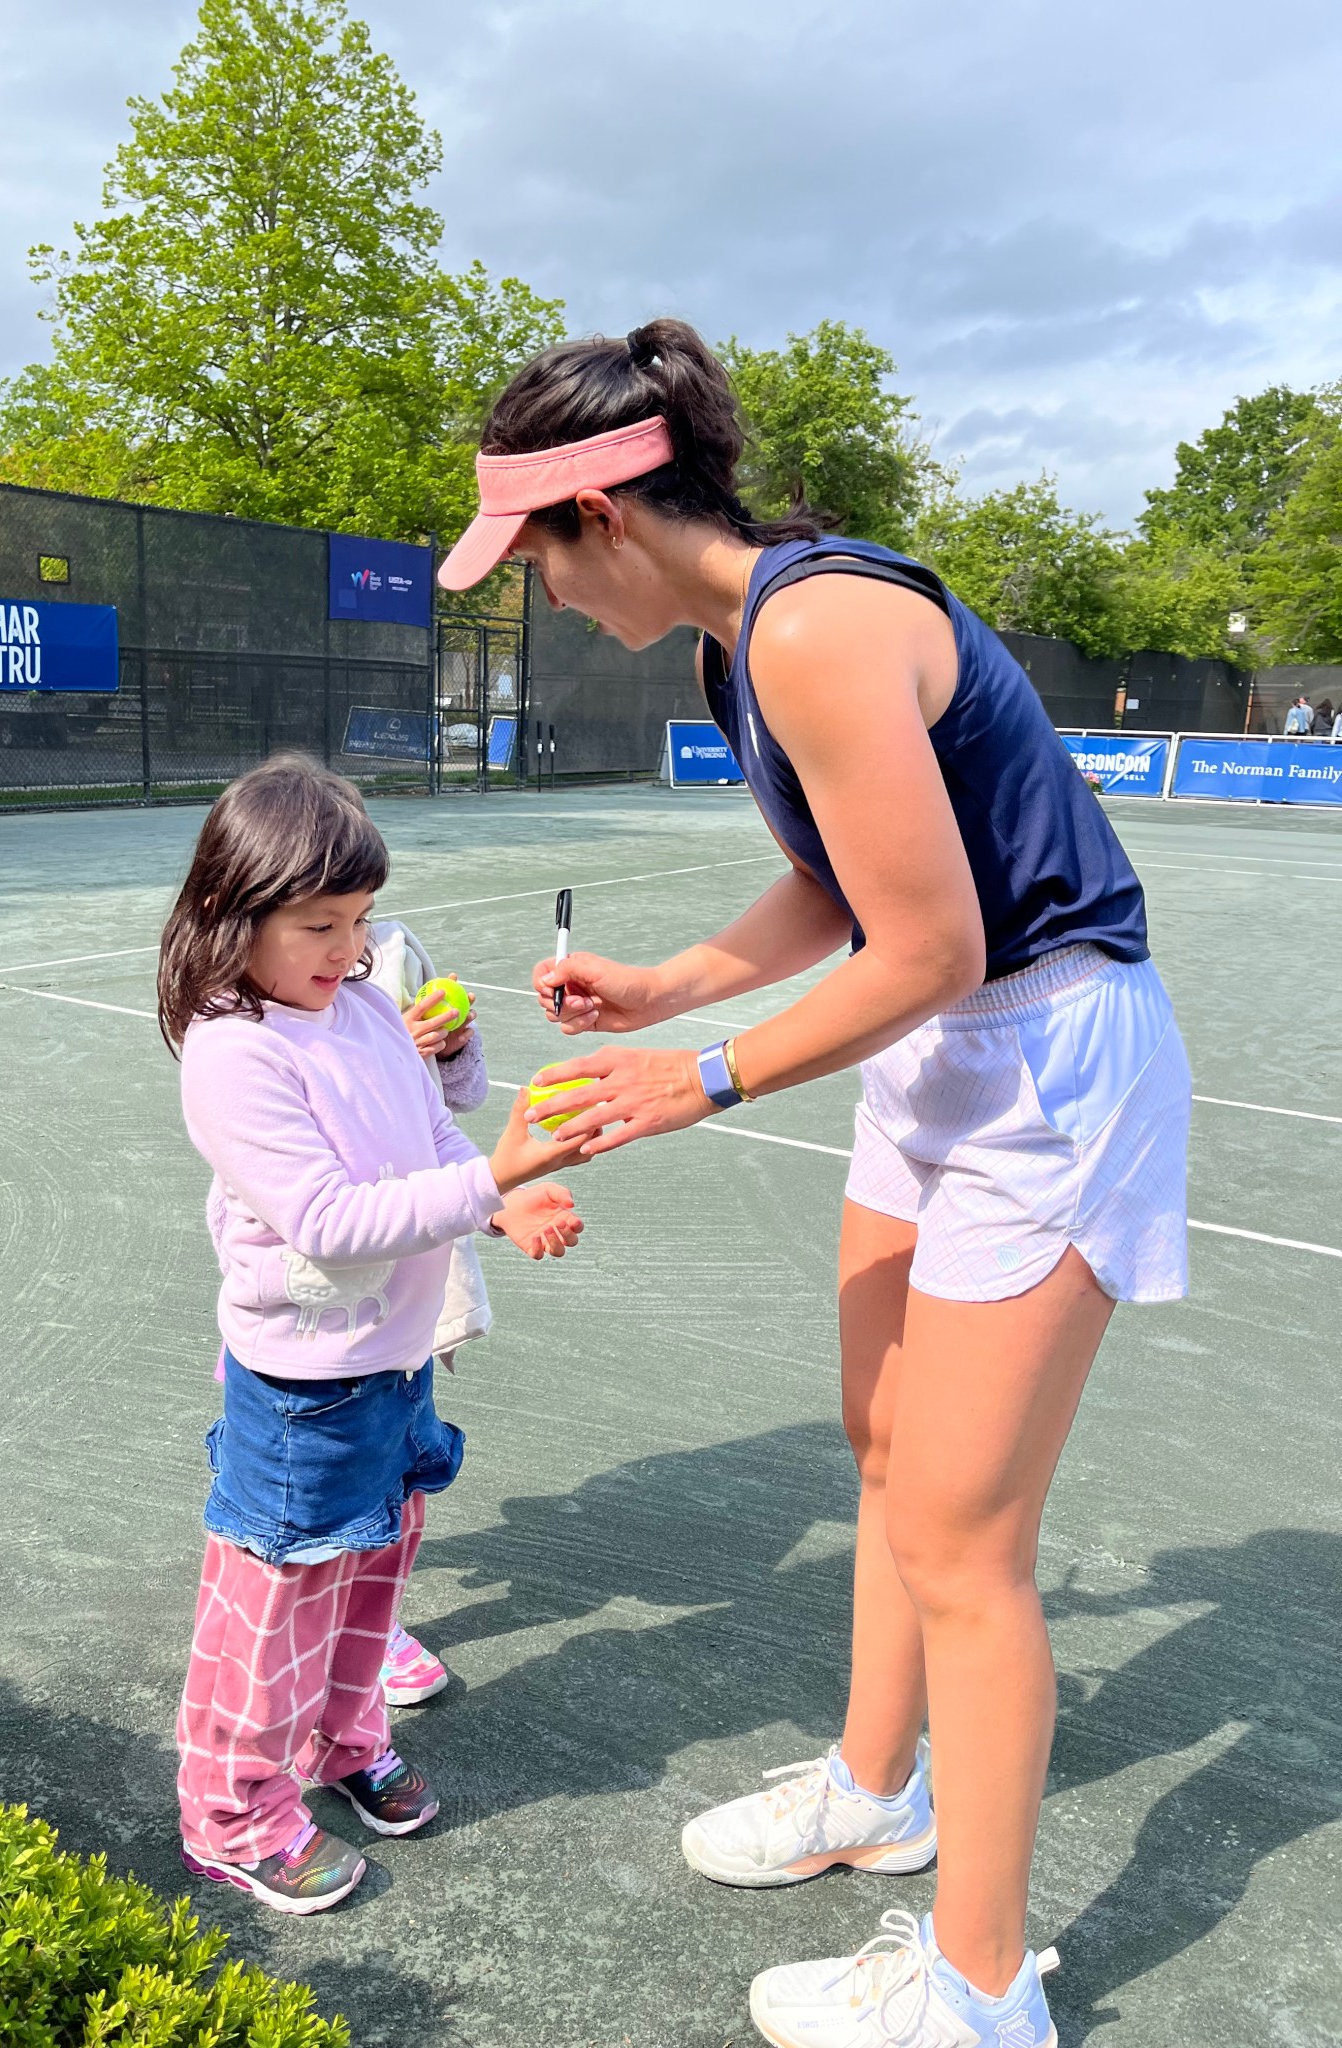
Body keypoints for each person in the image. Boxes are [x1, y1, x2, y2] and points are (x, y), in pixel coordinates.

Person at [437, 321, 1190, 2048]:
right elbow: (836, 887)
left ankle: (984, 1990)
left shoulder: (824, 623)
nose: (544, 602)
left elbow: (927, 938)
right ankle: (875, 1785)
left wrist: (686, 1078)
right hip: (937, 1050)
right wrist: (666, 983)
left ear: (606, 517)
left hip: (1051, 1051)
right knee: (880, 1449)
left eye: (536, 564)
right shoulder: (735, 652)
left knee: (962, 1541)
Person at [158, 755, 585, 1915]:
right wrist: (499, 1171)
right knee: (275, 1604)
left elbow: (428, 1137)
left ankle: (342, 1742)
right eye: (318, 924)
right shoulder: (232, 1049)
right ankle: (233, 1810)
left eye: (359, 919)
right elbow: (332, 1221)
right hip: (302, 1389)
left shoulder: (354, 1003)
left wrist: (496, 1193)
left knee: (373, 1579)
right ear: (225, 909)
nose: (348, 949)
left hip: (393, 1368)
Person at [370, 921, 493, 1707]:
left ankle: (369, 1616)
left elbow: (454, 1105)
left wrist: (444, 1049)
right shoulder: (254, 983)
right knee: (341, 1465)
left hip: (415, 1257)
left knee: (402, 1454)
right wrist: (386, 1047)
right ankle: (357, 1628)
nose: (350, 933)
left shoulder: (392, 948)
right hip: (329, 1282)